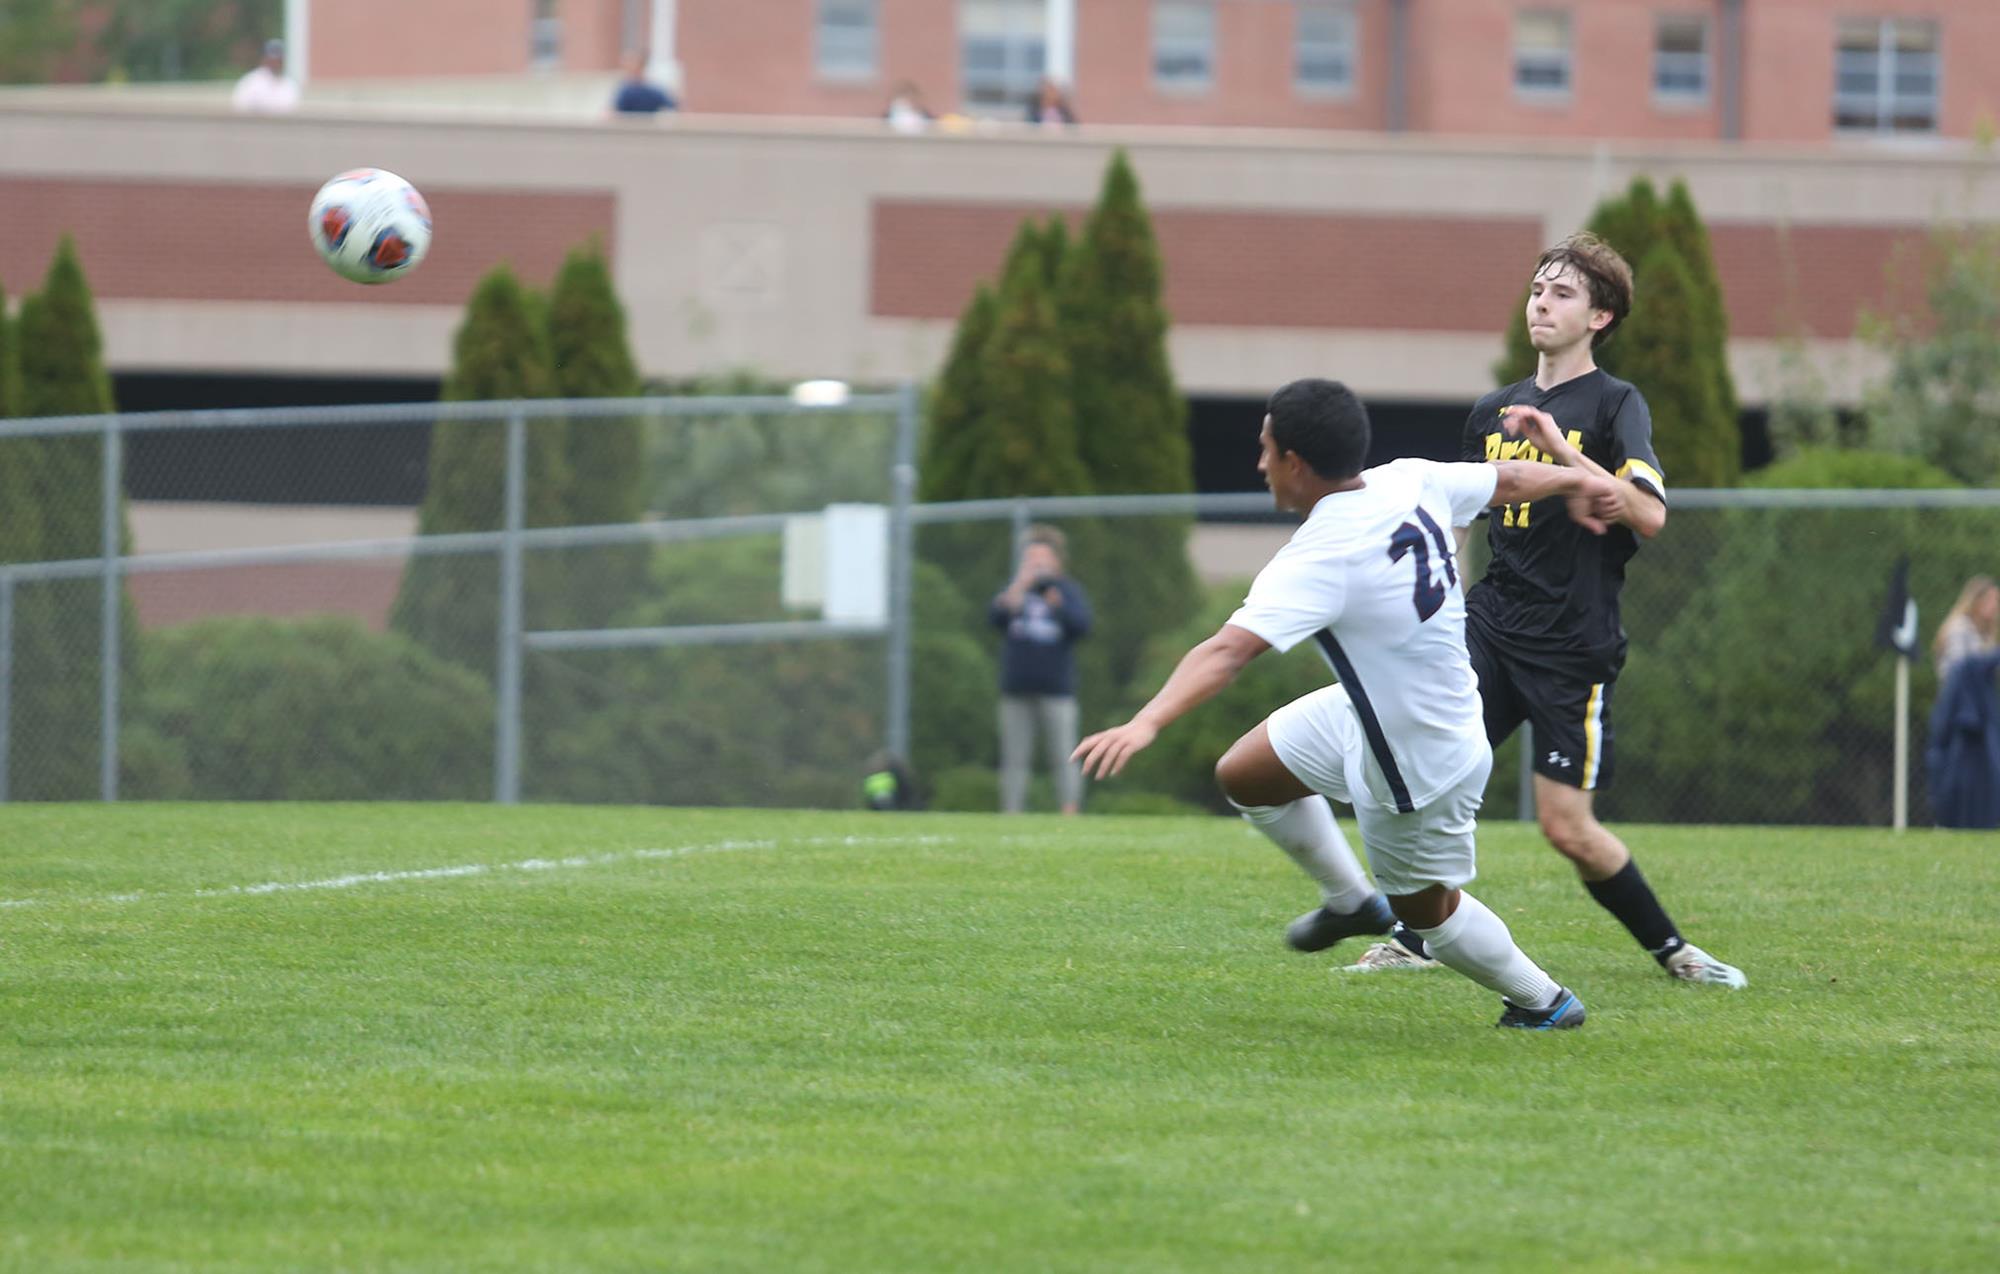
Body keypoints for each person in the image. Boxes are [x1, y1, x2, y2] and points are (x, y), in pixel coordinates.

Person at [1076, 379, 1621, 1028]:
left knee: (1429, 916)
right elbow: (1507, 480)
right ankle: (1350, 901)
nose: (1259, 464)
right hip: (1376, 711)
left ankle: (1543, 1002)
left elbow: (1226, 652)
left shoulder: (1323, 555)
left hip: (1419, 757)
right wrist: (1573, 480)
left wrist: (1145, 723)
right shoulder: (1406, 478)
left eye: (1265, 449)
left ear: (1294, 463)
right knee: (1246, 774)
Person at [1346, 232, 1747, 989]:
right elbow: (1462, 519)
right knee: (1429, 773)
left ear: (1600, 317)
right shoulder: (1492, 410)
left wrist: (1560, 448)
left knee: (1568, 828)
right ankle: (1415, 935)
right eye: (1537, 289)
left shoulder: (1616, 403)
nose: (1542, 304)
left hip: (1571, 644)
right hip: (1491, 624)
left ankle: (1675, 953)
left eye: (1563, 293)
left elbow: (1649, 514)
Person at [992, 524, 1093, 815]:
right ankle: (1011, 812)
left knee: (1064, 754)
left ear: (1057, 561)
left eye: (1042, 559)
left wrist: (1057, 606)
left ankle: (1069, 810)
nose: (1036, 565)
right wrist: (1017, 590)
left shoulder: (1067, 591)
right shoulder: (1016, 591)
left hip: (1056, 689)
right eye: (1030, 559)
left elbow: (1082, 626)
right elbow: (994, 618)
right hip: (1016, 688)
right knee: (1014, 757)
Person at [1932, 575, 1998, 683]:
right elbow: (1958, 669)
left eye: (1996, 600)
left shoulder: (1985, 631)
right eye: (1990, 599)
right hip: (1959, 691)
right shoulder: (1958, 628)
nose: (1995, 605)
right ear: (1976, 601)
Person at [231, 39, 299, 114]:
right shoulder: (250, 82)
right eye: (272, 59)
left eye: (278, 60)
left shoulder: (289, 85)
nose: (275, 63)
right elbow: (239, 107)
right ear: (264, 59)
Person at [610, 51, 677, 116]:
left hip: (647, 123)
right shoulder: (624, 89)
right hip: (627, 123)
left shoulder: (652, 90)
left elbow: (672, 105)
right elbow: (615, 111)